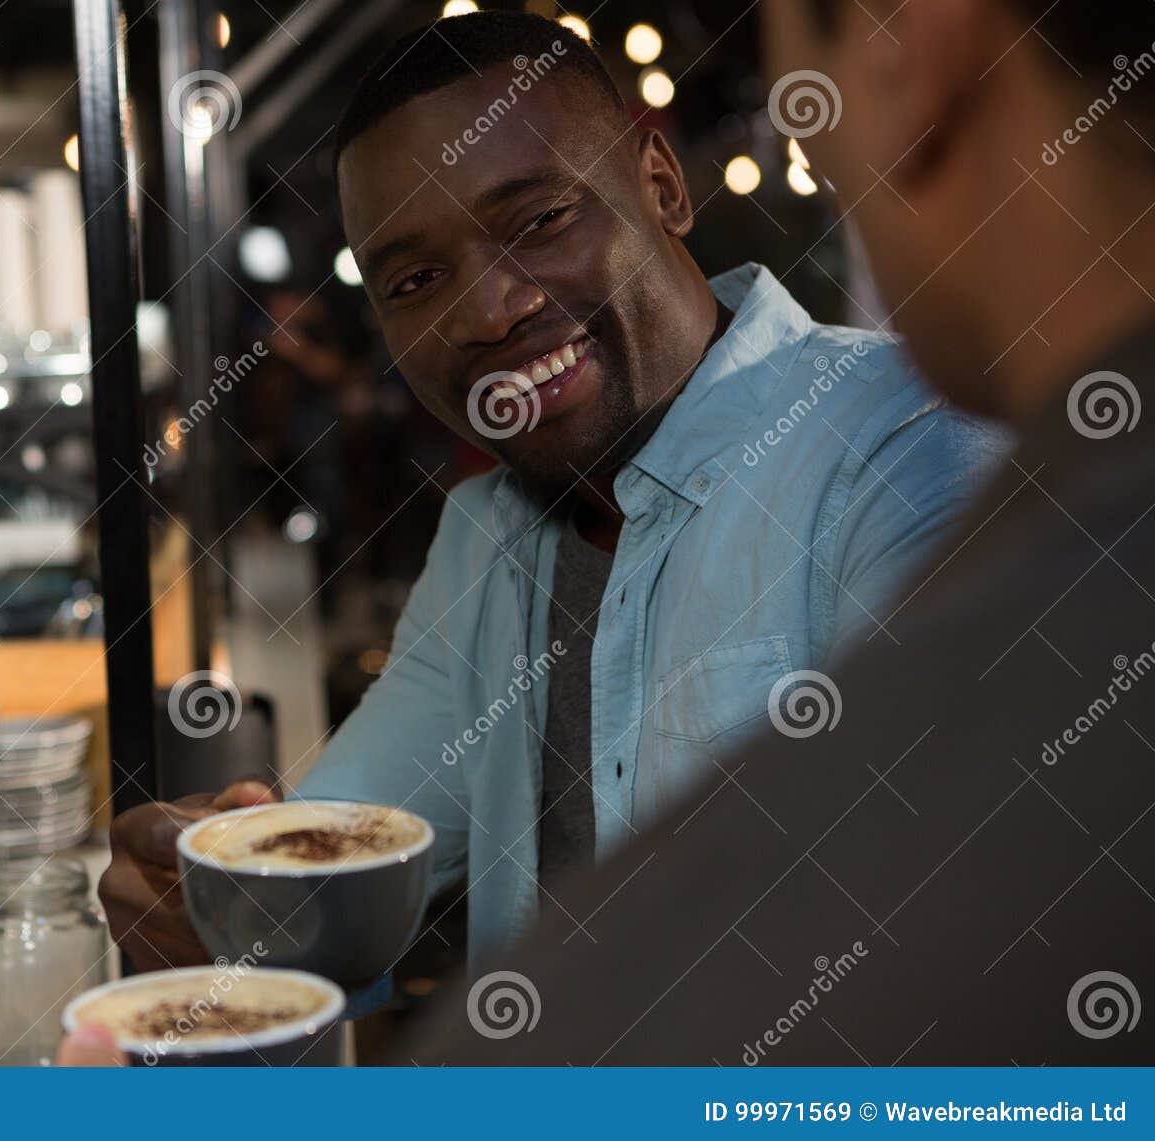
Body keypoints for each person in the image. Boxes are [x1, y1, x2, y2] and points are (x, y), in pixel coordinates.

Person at [99, 11, 999, 980]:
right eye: (416, 278)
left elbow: (954, 976)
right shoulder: (483, 538)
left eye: (538, 221)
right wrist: (213, 894)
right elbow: (341, 872)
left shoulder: (904, 452)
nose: (492, 309)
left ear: (661, 187)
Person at [408, 0, 1155, 1064]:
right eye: (413, 278)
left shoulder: (927, 468)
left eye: (795, 82)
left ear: (911, 48)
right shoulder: (487, 532)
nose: (807, 145)